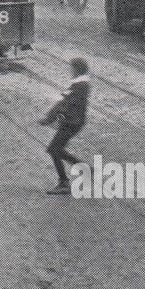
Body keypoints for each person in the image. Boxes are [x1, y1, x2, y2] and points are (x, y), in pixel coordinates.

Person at [41, 58, 91, 195]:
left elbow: (63, 104)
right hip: (75, 122)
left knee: (54, 149)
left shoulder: (78, 86)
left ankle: (64, 183)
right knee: (56, 149)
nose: (70, 71)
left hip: (71, 123)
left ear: (76, 70)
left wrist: (48, 119)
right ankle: (86, 169)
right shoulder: (83, 84)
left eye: (72, 69)